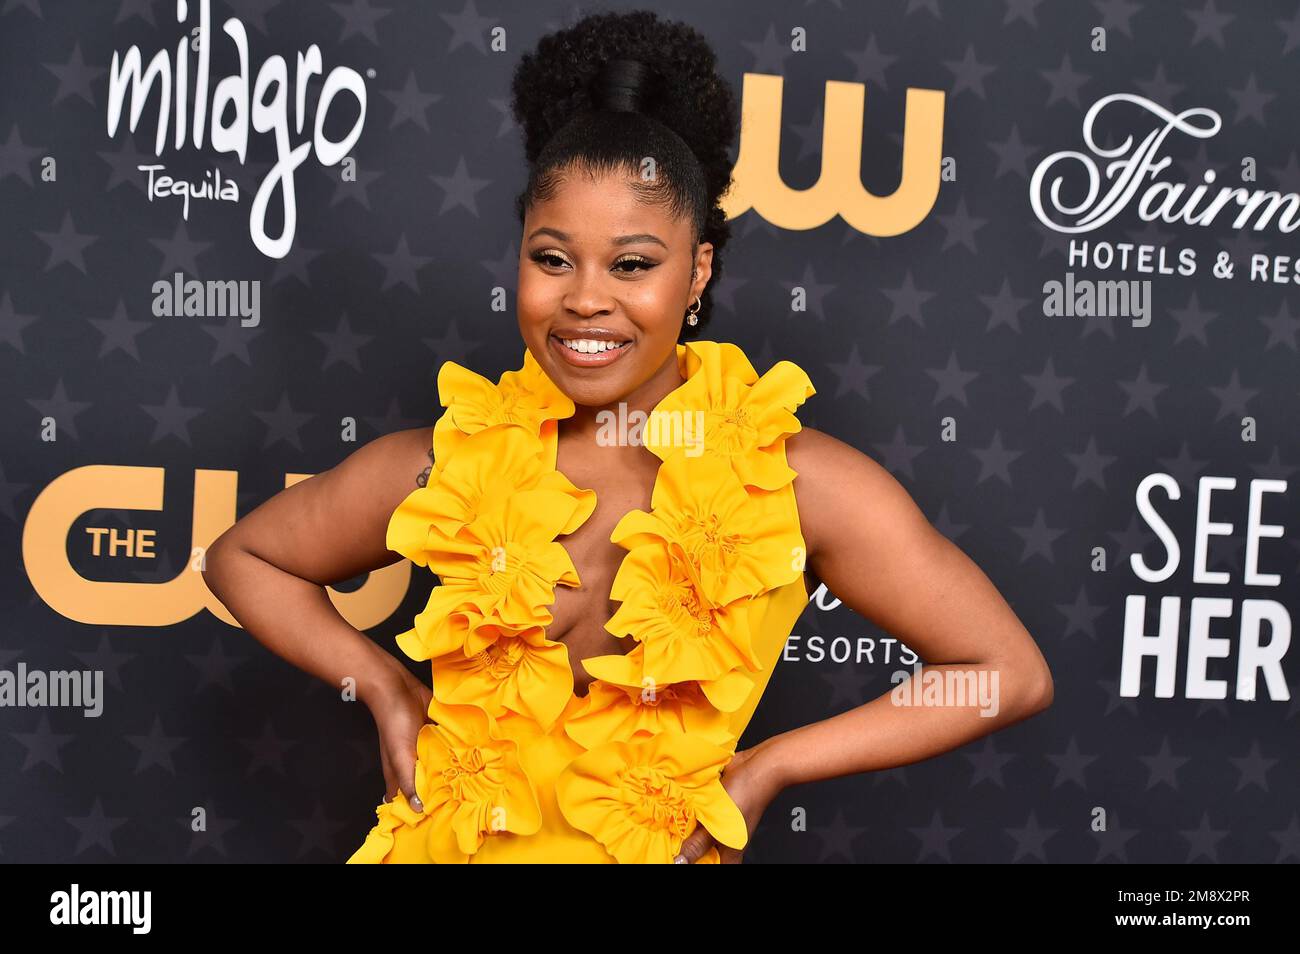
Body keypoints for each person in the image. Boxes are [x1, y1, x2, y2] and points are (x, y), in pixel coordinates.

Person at [201, 9, 1053, 864]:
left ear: (698, 273)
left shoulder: (790, 483)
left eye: (634, 264)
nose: (585, 300)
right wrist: (384, 686)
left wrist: (769, 768)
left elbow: (1005, 672)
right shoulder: (442, 465)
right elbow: (244, 559)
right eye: (552, 257)